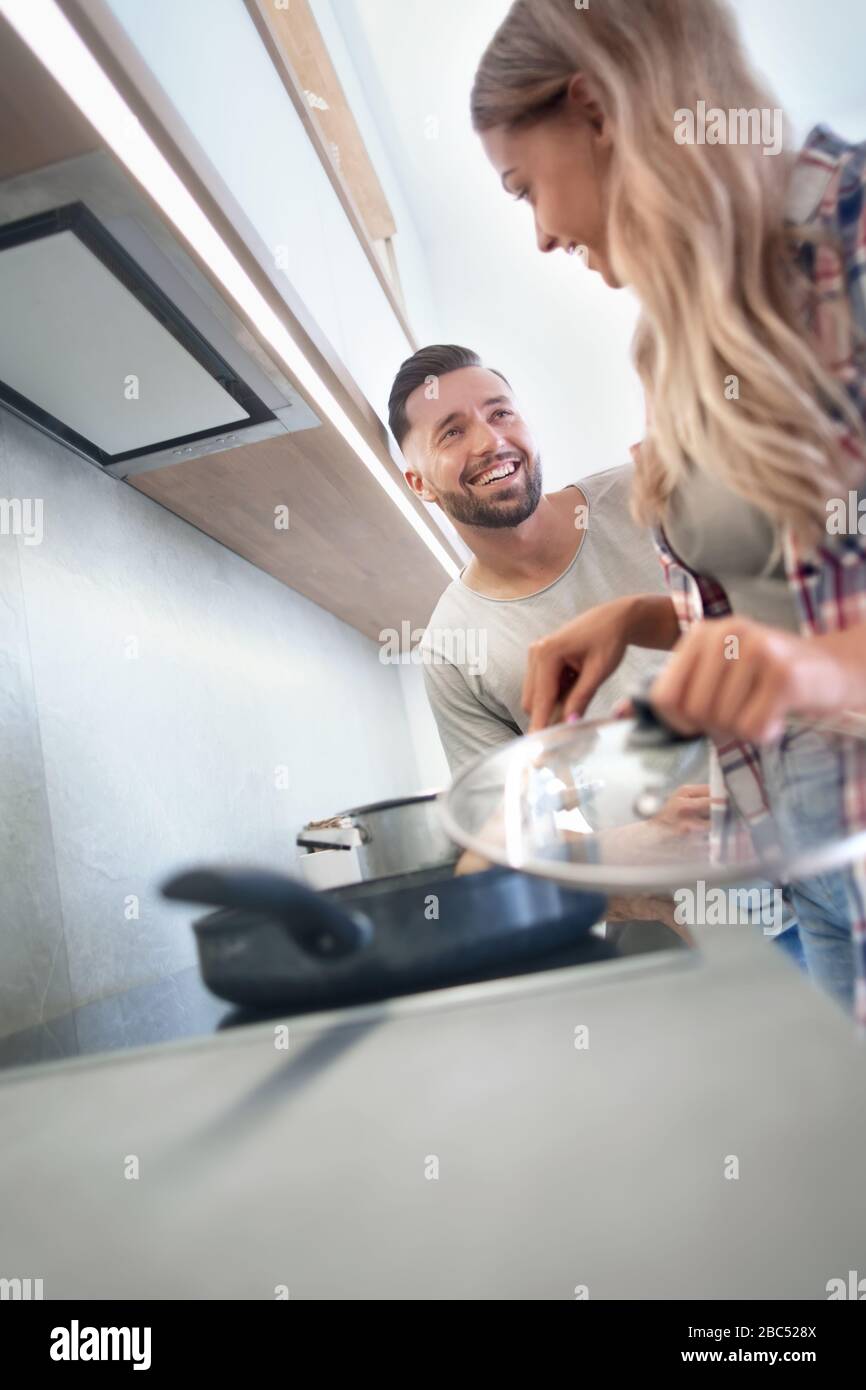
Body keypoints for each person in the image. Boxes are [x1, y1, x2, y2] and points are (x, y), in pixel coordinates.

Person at [470, 0, 866, 1018]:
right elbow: (765, 605)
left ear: (597, 109)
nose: (543, 233)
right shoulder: (671, 345)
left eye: (526, 187)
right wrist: (637, 622)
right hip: (809, 867)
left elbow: (806, 646)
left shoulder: (846, 231)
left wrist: (807, 667)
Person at [389, 342, 709, 946]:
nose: (489, 441)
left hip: (817, 870)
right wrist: (623, 850)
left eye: (500, 412)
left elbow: (785, 628)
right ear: (419, 483)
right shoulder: (452, 648)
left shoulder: (649, 497)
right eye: (452, 432)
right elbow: (500, 849)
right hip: (675, 947)